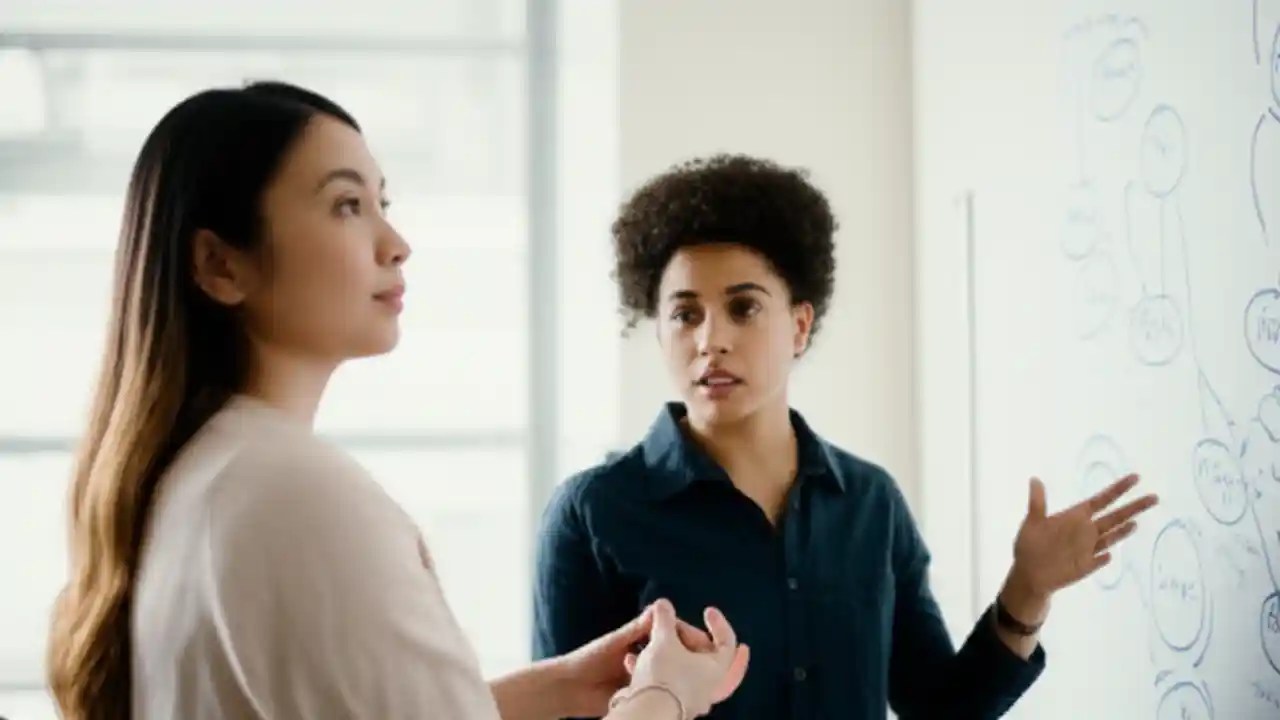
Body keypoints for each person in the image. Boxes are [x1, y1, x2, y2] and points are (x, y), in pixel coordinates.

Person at [43, 82, 748, 720]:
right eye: (347, 205)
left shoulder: (204, 476)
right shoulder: (293, 493)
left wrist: (552, 690)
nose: (397, 243)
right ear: (220, 264)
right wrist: (664, 698)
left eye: (384, 203)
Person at [532, 154, 1160, 719]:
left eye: (743, 308)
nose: (710, 339)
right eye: (685, 313)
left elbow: (940, 710)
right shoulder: (593, 514)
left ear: (799, 326)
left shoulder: (870, 503)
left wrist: (1028, 589)